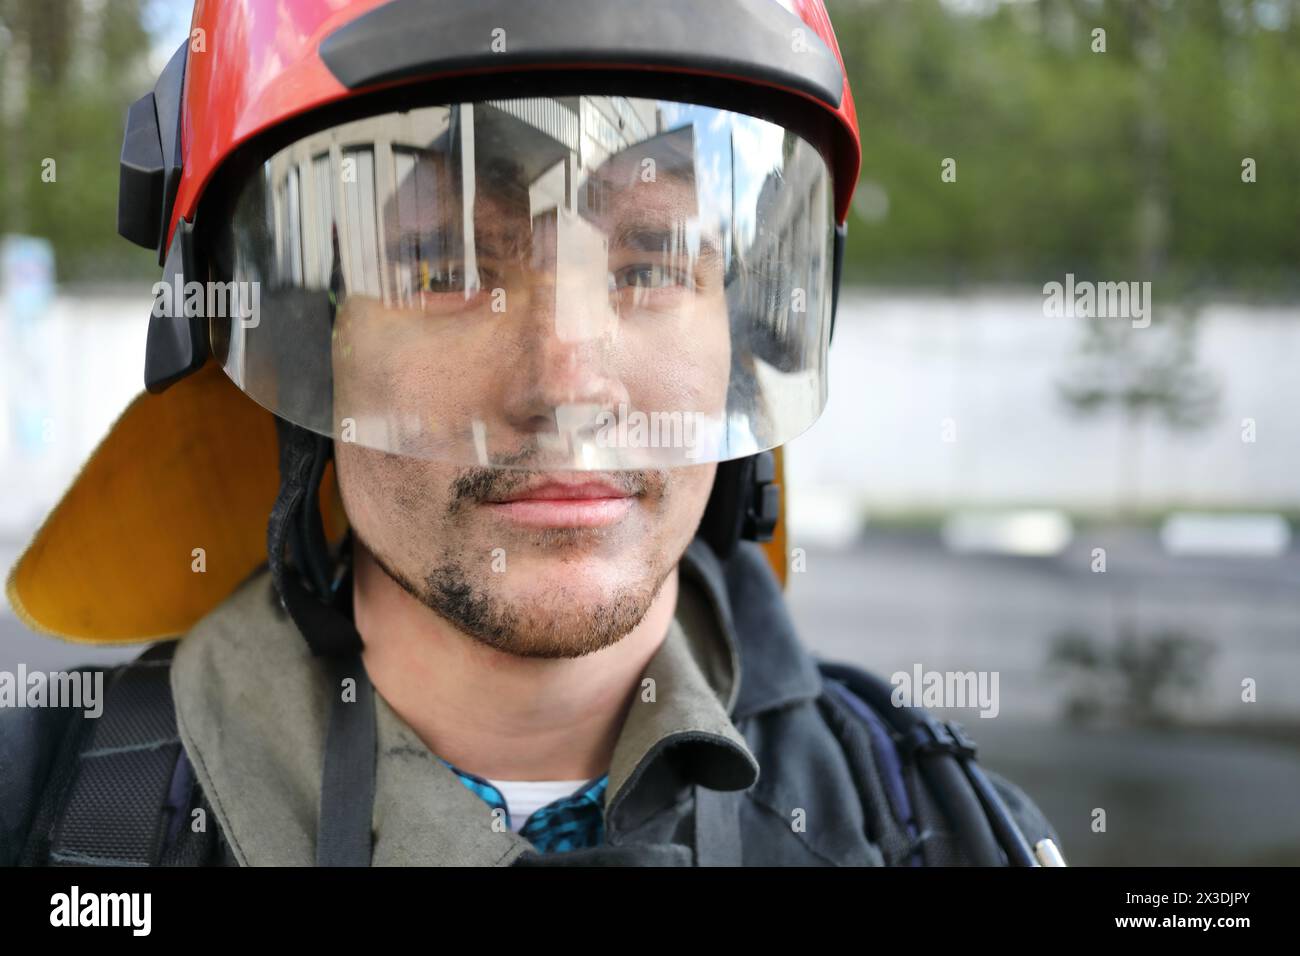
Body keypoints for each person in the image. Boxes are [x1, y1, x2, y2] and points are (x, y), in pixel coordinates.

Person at [1, 0, 1064, 867]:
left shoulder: (937, 826)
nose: (571, 381)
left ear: (744, 338)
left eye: (651, 264)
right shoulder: (47, 819)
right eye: (444, 265)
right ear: (296, 338)